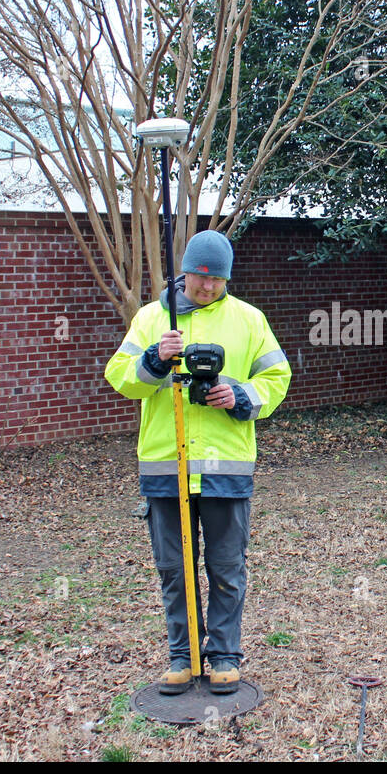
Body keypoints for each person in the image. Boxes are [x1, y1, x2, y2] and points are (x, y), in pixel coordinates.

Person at [104, 230, 291, 694]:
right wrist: (156, 360)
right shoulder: (151, 319)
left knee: (226, 566)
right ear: (184, 271)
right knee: (174, 567)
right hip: (167, 468)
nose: (207, 287)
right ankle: (181, 656)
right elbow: (121, 378)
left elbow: (277, 377)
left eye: (218, 280)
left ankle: (225, 653)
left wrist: (240, 395)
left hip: (226, 469)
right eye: (200, 277)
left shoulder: (249, 319)